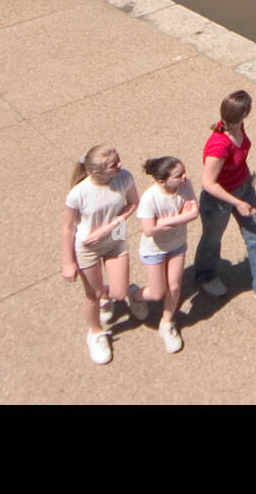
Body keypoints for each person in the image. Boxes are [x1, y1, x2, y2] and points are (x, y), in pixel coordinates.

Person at [193, 91, 256, 306]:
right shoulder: (219, 145)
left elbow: (239, 157)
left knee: (254, 237)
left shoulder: (238, 127)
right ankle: (205, 275)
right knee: (212, 239)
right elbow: (208, 183)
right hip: (219, 199)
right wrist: (237, 203)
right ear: (242, 113)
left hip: (244, 188)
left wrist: (246, 179)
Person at [62, 144, 149, 365]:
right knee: (94, 294)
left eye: (118, 160)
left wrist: (108, 227)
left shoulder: (124, 177)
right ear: (96, 172)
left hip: (115, 238)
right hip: (87, 247)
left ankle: (126, 293)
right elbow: (67, 228)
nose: (120, 165)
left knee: (119, 292)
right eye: (114, 164)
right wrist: (68, 261)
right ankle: (95, 333)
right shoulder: (77, 194)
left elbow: (133, 204)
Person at [136, 156, 199, 353]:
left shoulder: (185, 185)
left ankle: (166, 322)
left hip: (177, 244)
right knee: (157, 292)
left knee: (174, 286)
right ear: (162, 180)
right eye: (178, 175)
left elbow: (194, 212)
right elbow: (149, 230)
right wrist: (180, 218)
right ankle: (134, 295)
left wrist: (164, 222)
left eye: (183, 172)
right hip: (154, 250)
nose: (184, 177)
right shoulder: (150, 198)